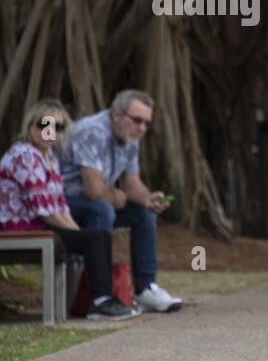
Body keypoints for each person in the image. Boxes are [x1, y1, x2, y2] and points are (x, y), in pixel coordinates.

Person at [0, 99, 136, 320]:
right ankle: (101, 301)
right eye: (44, 125)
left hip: (38, 223)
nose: (50, 131)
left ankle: (103, 299)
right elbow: (44, 211)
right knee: (92, 239)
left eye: (58, 127)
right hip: (18, 226)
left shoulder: (50, 158)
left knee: (98, 236)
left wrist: (78, 233)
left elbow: (59, 205)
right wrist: (79, 236)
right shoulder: (24, 155)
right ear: (31, 125)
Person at [60, 89, 183, 313]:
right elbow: (94, 189)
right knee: (102, 209)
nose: (142, 128)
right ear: (116, 114)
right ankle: (100, 297)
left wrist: (148, 198)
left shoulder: (130, 138)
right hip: (62, 205)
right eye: (137, 120)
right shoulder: (92, 131)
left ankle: (146, 289)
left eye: (146, 123)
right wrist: (116, 196)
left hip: (95, 203)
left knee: (143, 213)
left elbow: (130, 183)